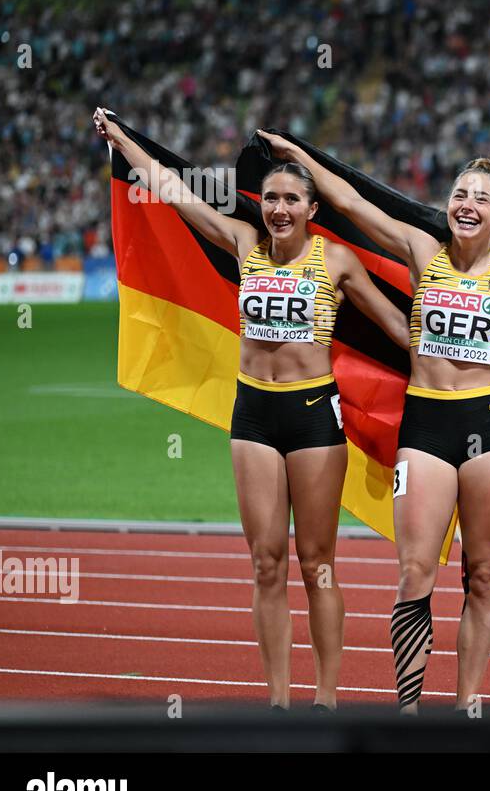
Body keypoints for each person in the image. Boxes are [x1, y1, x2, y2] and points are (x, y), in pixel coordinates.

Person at [95, 108, 416, 711]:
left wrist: (472, 364)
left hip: (315, 416)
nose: (280, 210)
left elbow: (397, 326)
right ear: (260, 204)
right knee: (267, 565)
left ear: (311, 209)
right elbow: (173, 192)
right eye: (271, 199)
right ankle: (278, 702)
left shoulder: (337, 263)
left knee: (317, 564)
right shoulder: (245, 243)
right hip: (254, 416)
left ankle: (324, 699)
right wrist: (122, 142)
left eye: (293, 199)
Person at [256, 131, 490, 716]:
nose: (467, 204)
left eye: (481, 199)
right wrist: (300, 156)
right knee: (415, 571)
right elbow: (350, 203)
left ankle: (468, 704)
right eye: (459, 194)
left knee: (484, 575)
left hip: (488, 427)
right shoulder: (422, 249)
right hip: (426, 425)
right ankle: (409, 711)